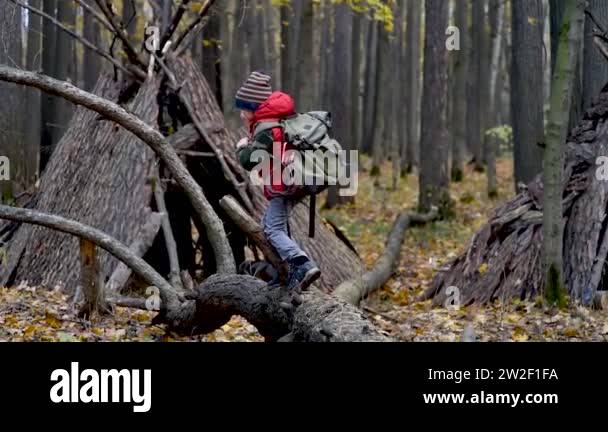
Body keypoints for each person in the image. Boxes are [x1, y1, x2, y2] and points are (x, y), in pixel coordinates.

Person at [234, 71, 321, 292]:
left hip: (285, 185)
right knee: (272, 226)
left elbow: (250, 161)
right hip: (293, 183)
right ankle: (286, 275)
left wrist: (243, 146)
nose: (242, 115)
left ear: (254, 108)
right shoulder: (276, 121)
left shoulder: (267, 129)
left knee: (272, 229)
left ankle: (302, 265)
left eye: (244, 109)